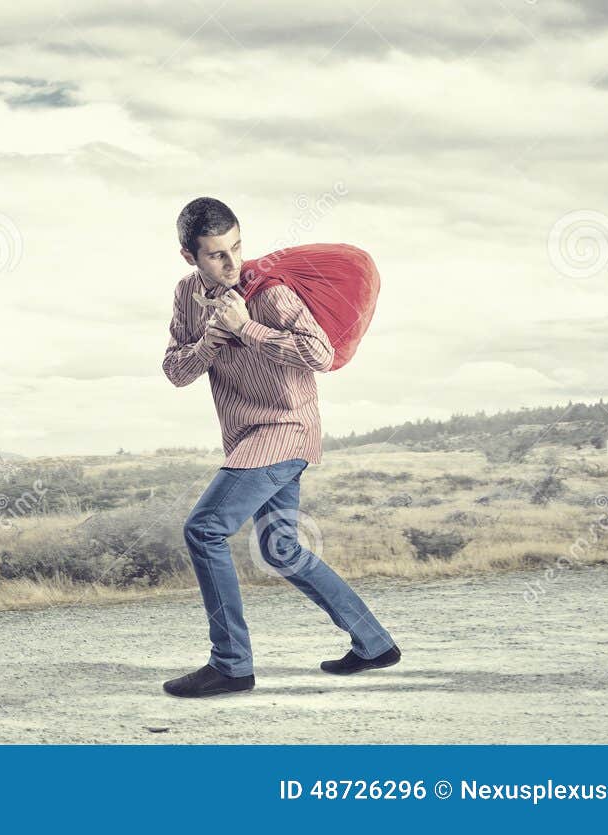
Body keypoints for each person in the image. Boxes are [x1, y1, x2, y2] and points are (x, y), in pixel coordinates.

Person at [159, 197, 400, 698]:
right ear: (190, 257)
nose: (232, 264)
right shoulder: (186, 295)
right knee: (281, 548)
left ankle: (231, 665)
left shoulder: (270, 294)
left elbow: (319, 353)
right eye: (216, 256)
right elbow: (176, 371)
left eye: (237, 248)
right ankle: (374, 644)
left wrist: (247, 327)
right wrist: (213, 339)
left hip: (286, 428)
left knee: (204, 529)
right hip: (247, 435)